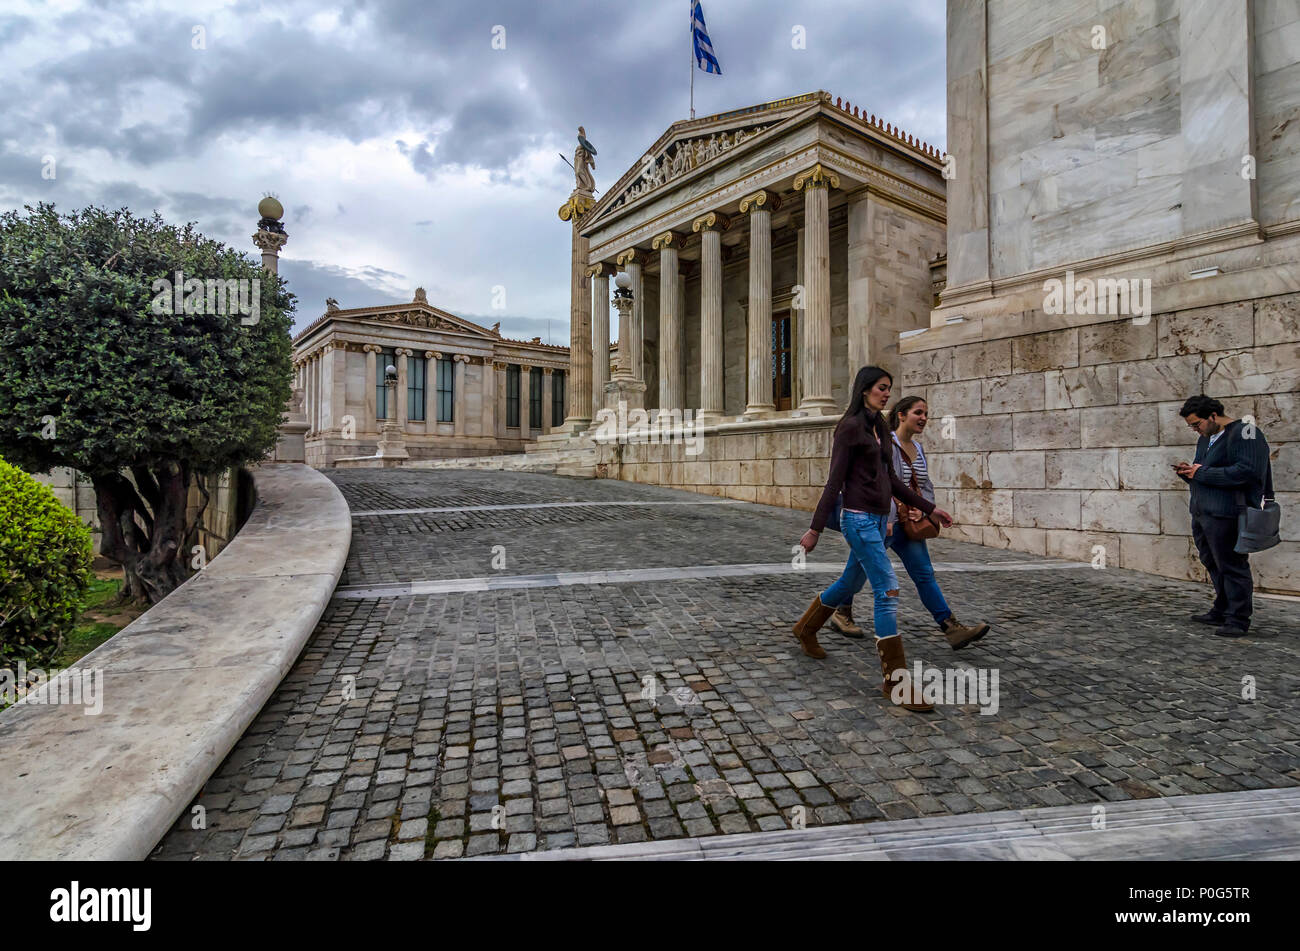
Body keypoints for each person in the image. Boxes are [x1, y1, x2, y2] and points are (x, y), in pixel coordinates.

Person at [795, 366, 954, 712]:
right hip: (858, 521)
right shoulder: (849, 428)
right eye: (882, 388)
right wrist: (815, 529)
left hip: (882, 520)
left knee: (849, 582)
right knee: (888, 590)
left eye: (889, 388)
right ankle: (895, 682)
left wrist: (930, 509)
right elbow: (834, 482)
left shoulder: (879, 427)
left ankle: (806, 628)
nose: (886, 394)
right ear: (865, 389)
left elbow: (893, 481)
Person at [829, 395, 990, 648]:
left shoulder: (919, 449)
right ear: (901, 415)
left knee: (924, 575)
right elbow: (880, 484)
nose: (924, 418)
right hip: (882, 521)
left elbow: (924, 486)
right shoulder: (885, 444)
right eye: (918, 413)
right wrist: (889, 516)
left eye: (926, 414)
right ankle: (837, 613)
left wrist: (924, 511)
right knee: (855, 575)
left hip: (909, 524)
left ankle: (950, 627)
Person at [1175, 395, 1271, 637]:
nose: (1195, 430)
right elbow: (1204, 471)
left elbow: (1247, 472)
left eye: (1197, 424)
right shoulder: (1205, 438)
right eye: (1191, 426)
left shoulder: (1246, 433)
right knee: (1212, 562)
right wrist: (1189, 472)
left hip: (1228, 512)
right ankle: (1223, 607)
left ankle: (1238, 619)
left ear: (1213, 416)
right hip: (1202, 511)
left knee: (1232, 566)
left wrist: (1201, 473)